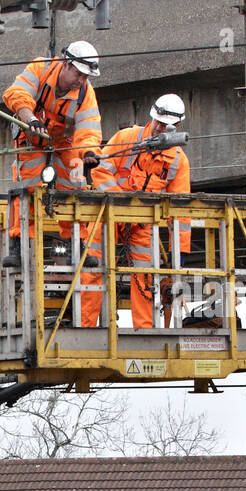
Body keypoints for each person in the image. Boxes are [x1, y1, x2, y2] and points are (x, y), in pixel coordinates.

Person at [82, 94, 193, 328]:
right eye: (158, 122)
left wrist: (178, 253)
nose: (159, 128)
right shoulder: (127, 138)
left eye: (165, 125)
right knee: (93, 268)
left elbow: (181, 211)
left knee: (146, 276)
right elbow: (100, 171)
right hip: (108, 213)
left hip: (142, 223)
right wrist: (120, 201)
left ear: (177, 127)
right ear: (152, 118)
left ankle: (145, 331)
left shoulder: (177, 161)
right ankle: (85, 327)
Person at [1, 40, 104, 270]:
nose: (81, 81)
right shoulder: (41, 68)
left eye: (86, 77)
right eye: (79, 74)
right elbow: (16, 94)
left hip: (64, 143)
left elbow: (89, 126)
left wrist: (88, 151)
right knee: (26, 188)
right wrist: (31, 120)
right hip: (31, 139)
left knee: (77, 184)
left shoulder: (85, 93)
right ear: (65, 65)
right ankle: (19, 245)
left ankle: (74, 244)